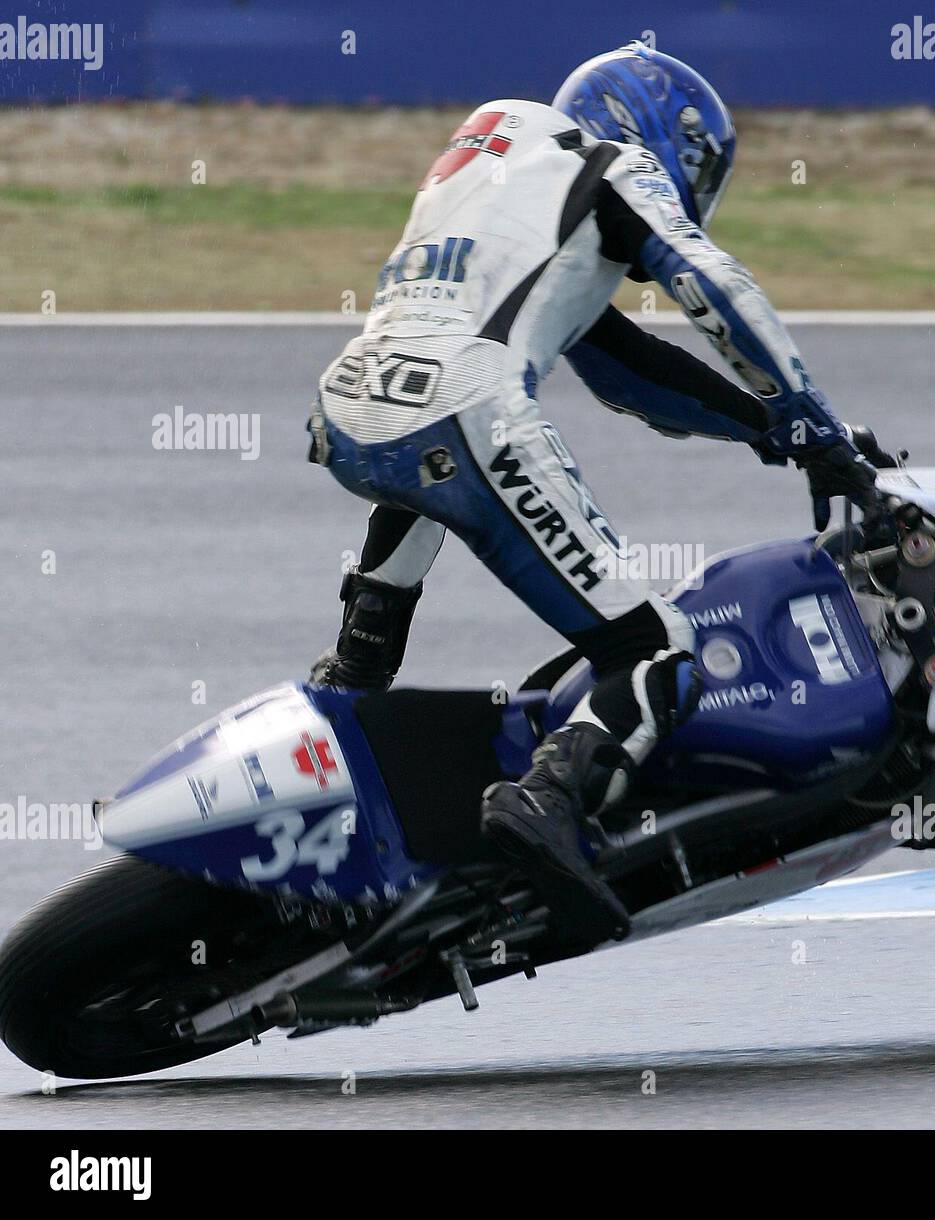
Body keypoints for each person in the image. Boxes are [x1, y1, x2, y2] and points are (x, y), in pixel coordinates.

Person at [306, 43, 882, 946]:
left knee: (430, 484)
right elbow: (711, 283)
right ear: (662, 132)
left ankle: (346, 693)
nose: (693, 185)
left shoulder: (501, 158)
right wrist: (811, 415)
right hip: (464, 408)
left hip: (351, 401)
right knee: (653, 653)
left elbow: (628, 374)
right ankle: (546, 805)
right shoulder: (610, 162)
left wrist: (773, 435)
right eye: (698, 167)